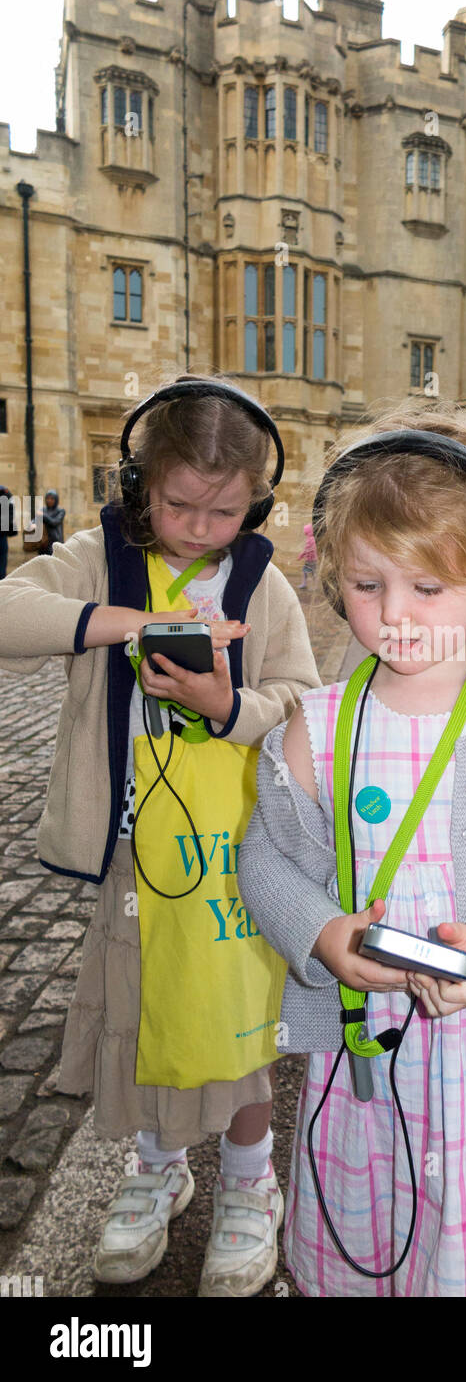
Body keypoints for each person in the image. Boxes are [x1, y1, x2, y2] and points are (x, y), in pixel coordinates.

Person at [237, 401, 466, 1296]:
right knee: (386, 1245)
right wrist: (324, 935)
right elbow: (265, 860)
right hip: (374, 1062)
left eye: (427, 589)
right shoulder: (313, 728)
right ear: (333, 583)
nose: (394, 616)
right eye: (368, 587)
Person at [0, 374, 320, 1296]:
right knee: (144, 1014)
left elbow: (302, 705)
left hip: (235, 860)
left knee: (237, 1025)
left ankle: (251, 1188)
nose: (200, 527)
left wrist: (230, 706)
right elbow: (10, 614)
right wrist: (130, 623)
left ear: (255, 500)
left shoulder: (264, 587)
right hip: (137, 854)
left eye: (225, 511)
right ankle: (157, 1167)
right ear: (140, 485)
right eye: (179, 504)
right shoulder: (101, 556)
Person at [297, 521, 317, 589]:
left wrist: (301, 556)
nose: (304, 532)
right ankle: (306, 584)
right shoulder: (313, 539)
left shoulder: (310, 540)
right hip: (313, 559)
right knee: (311, 572)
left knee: (309, 572)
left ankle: (308, 584)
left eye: (305, 530)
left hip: (310, 560)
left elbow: (307, 549)